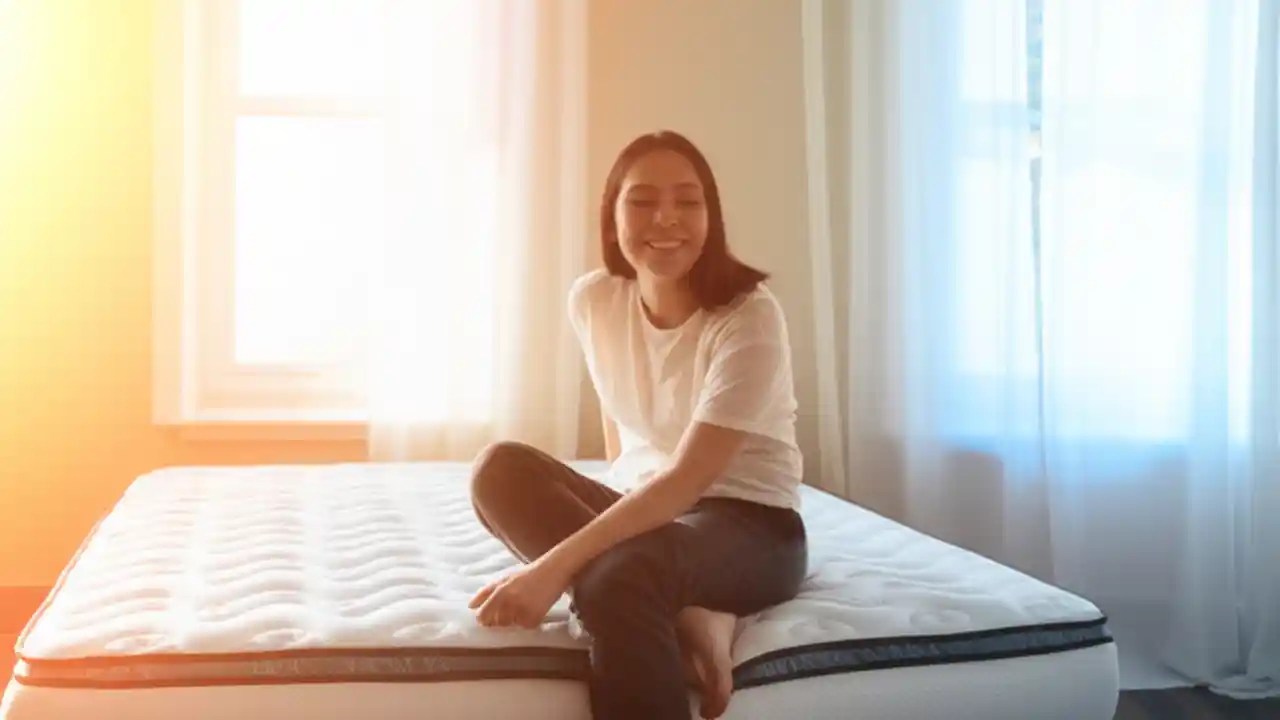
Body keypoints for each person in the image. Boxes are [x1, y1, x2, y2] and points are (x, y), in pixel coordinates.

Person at [468, 130, 808, 720]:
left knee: (618, 577)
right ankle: (689, 613)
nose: (666, 218)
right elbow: (624, 443)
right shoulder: (595, 300)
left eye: (688, 201)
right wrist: (606, 526)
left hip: (755, 527)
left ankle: (675, 597)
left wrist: (550, 569)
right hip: (663, 519)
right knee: (498, 471)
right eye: (643, 201)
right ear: (612, 214)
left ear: (712, 215)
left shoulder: (749, 315)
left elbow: (685, 481)